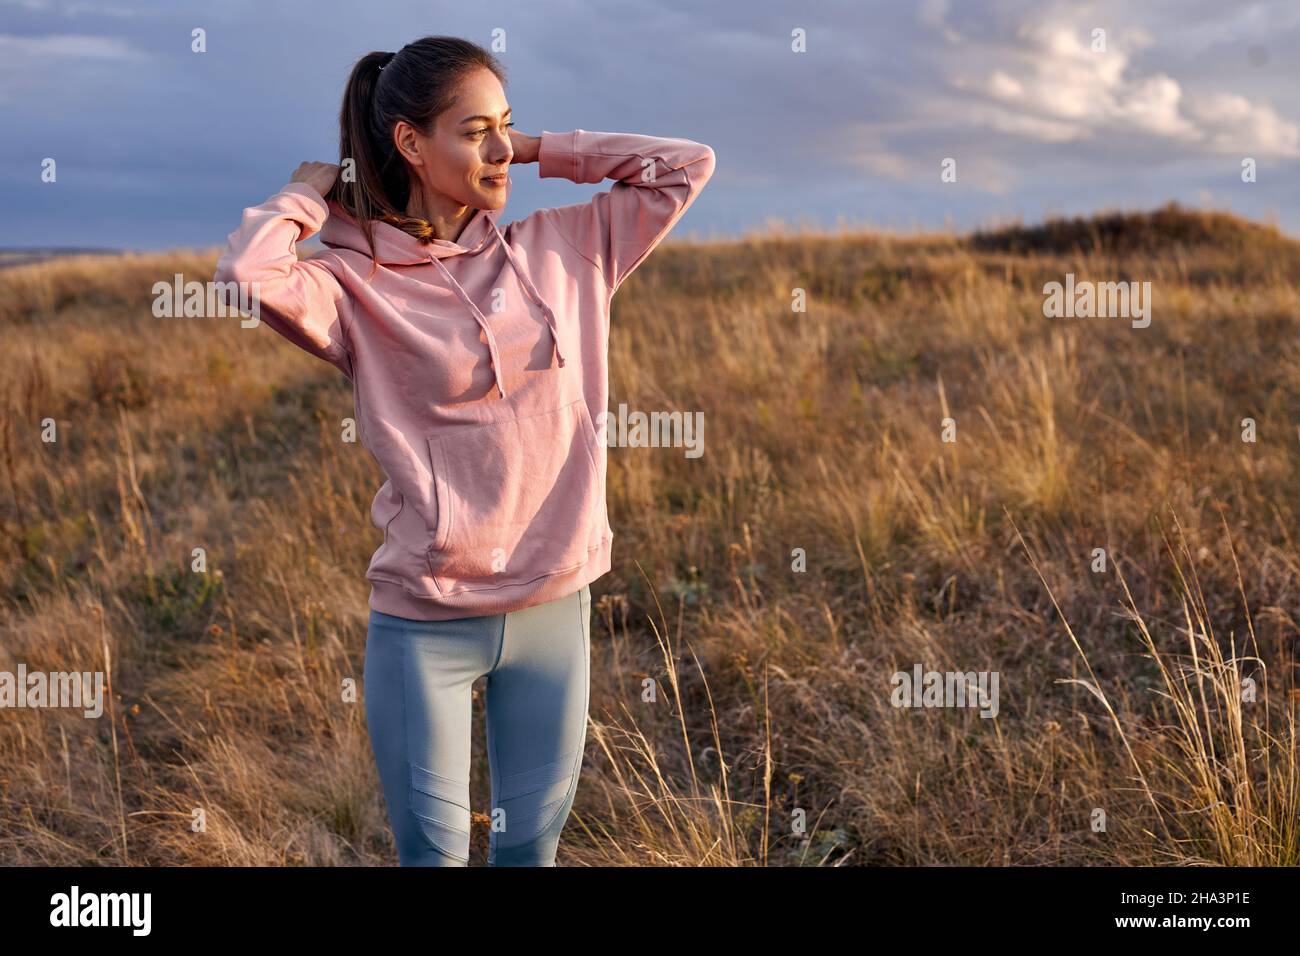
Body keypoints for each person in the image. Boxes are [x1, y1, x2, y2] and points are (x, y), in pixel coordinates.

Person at [213, 35, 715, 865]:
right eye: (472, 130)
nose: (498, 150)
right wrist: (305, 196)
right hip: (426, 624)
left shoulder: (564, 248)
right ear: (410, 143)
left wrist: (538, 148)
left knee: (529, 856)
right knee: (434, 861)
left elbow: (686, 166)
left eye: (505, 127)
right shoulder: (353, 285)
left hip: (555, 605)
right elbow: (248, 276)